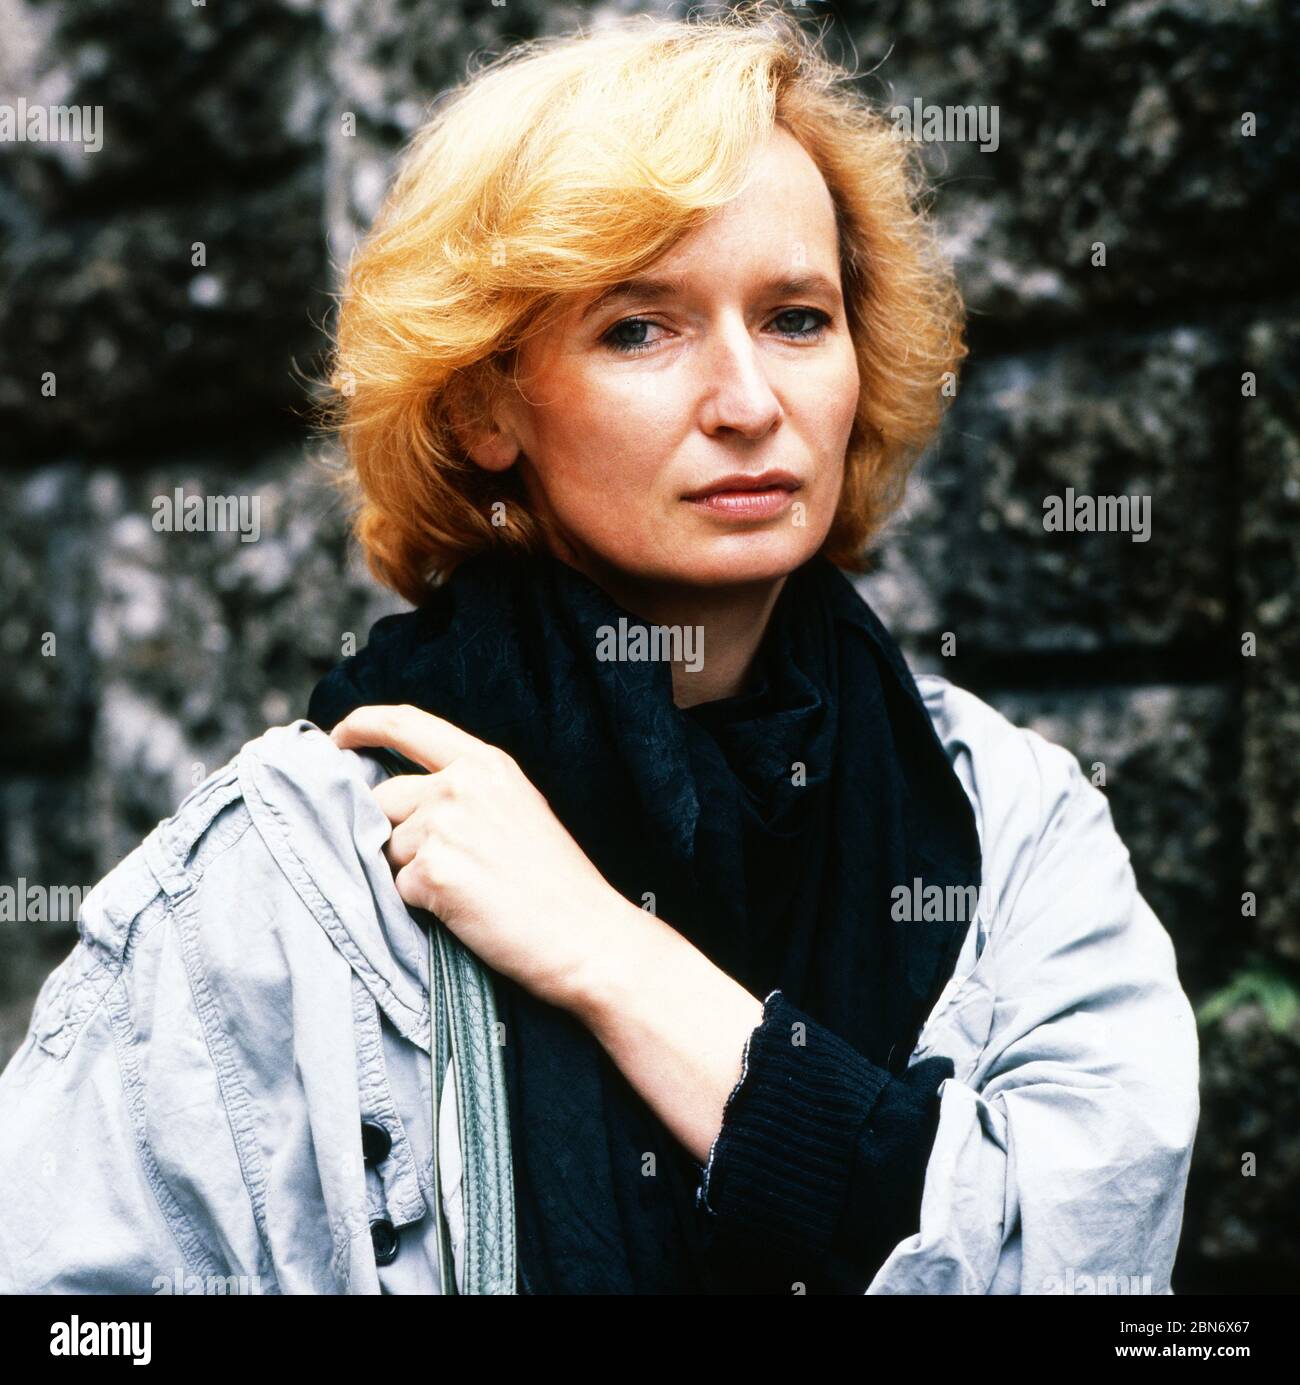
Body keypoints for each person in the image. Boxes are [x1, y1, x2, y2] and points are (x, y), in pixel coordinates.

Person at [0, 3, 1198, 1295]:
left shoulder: (1013, 829)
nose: (750, 404)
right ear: (484, 406)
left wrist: (611, 955)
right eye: (641, 327)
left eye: (797, 317)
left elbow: (1086, 1277)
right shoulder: (285, 879)